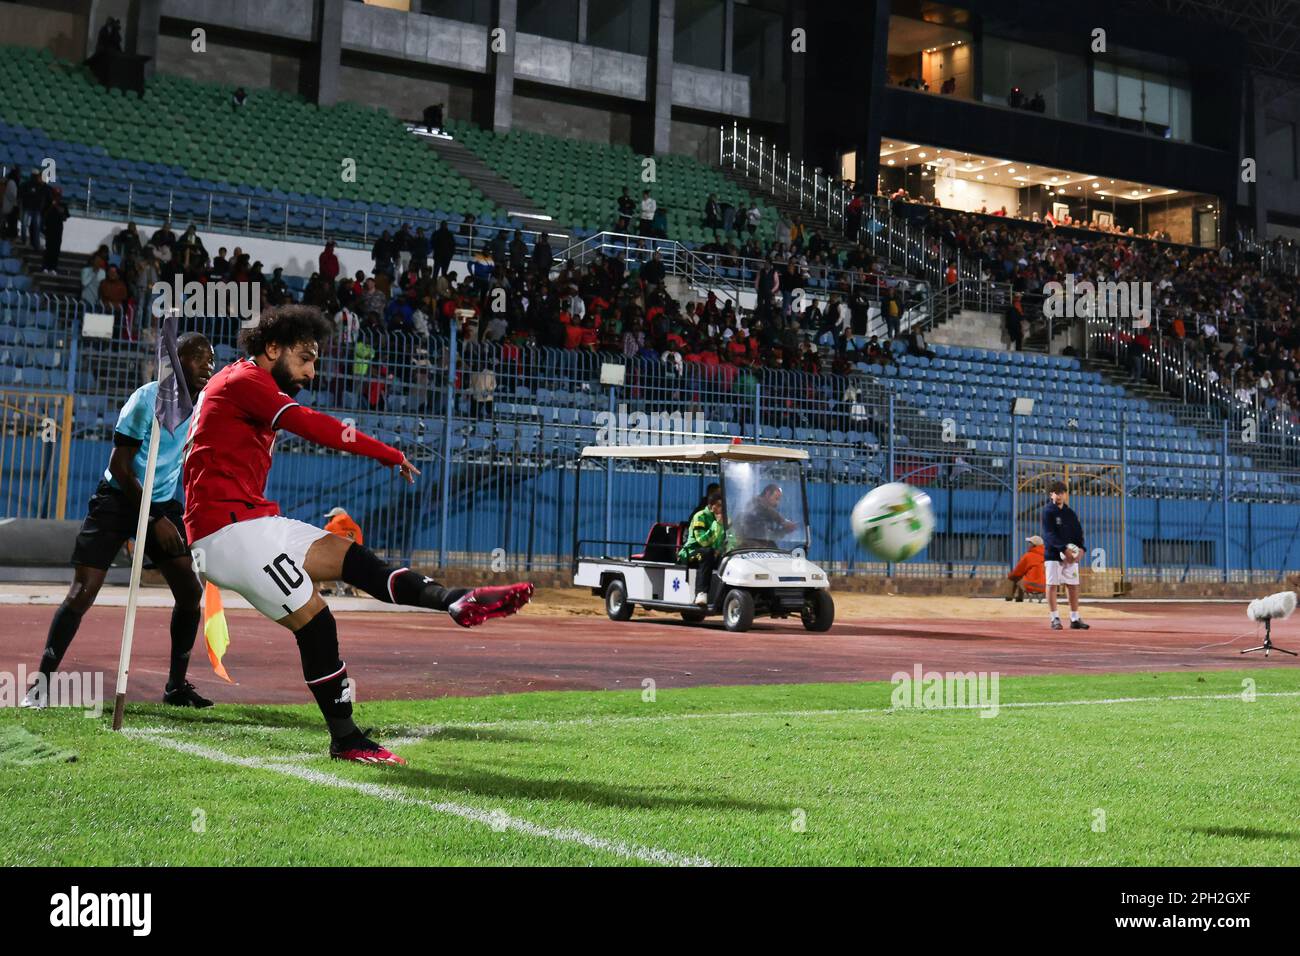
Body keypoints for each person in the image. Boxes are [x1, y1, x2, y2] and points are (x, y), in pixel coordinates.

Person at [182, 306, 534, 764]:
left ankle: (456, 600)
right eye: (305, 358)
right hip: (227, 533)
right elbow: (313, 425)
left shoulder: (243, 381)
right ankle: (346, 738)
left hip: (252, 521)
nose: (311, 372)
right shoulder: (244, 381)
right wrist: (386, 452)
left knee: (352, 557)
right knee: (316, 621)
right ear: (272, 348)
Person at [22, 335, 216, 709]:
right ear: (176, 360)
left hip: (162, 503)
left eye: (212, 359)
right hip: (119, 499)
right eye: (199, 357)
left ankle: (175, 687)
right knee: (83, 592)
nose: (208, 365)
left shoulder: (202, 405)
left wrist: (167, 511)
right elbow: (120, 466)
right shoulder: (146, 399)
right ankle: (40, 687)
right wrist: (153, 517)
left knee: (190, 591)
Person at [1042, 481, 1088, 630]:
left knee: (1073, 585)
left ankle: (1075, 618)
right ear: (1051, 494)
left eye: (1062, 492)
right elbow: (1049, 534)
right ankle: (1054, 618)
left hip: (1070, 557)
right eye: (1057, 493)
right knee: (1052, 585)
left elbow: (1078, 532)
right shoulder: (1048, 511)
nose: (1060, 495)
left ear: (1065, 494)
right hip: (1053, 555)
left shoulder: (1070, 513)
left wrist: (1081, 549)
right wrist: (1063, 549)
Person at [677, 490, 725, 606]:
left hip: (713, 553)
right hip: (691, 553)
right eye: (719, 505)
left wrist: (724, 549)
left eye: (723, 506)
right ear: (711, 506)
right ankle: (701, 593)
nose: (722, 509)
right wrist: (717, 524)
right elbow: (703, 542)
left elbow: (732, 538)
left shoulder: (726, 519)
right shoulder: (700, 516)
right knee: (707, 552)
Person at [735, 483, 797, 547]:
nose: (777, 503)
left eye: (778, 500)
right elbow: (767, 536)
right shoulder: (755, 511)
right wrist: (783, 524)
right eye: (776, 498)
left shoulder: (765, 513)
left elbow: (770, 536)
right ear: (767, 494)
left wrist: (784, 526)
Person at [1006, 535, 1046, 602]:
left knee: (1015, 577)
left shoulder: (1028, 556)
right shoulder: (1046, 556)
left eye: (1030, 543)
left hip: (1030, 585)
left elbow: (1017, 572)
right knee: (1021, 576)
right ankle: (1018, 597)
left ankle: (1012, 597)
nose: (1028, 544)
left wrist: (1010, 576)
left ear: (1033, 545)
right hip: (1044, 586)